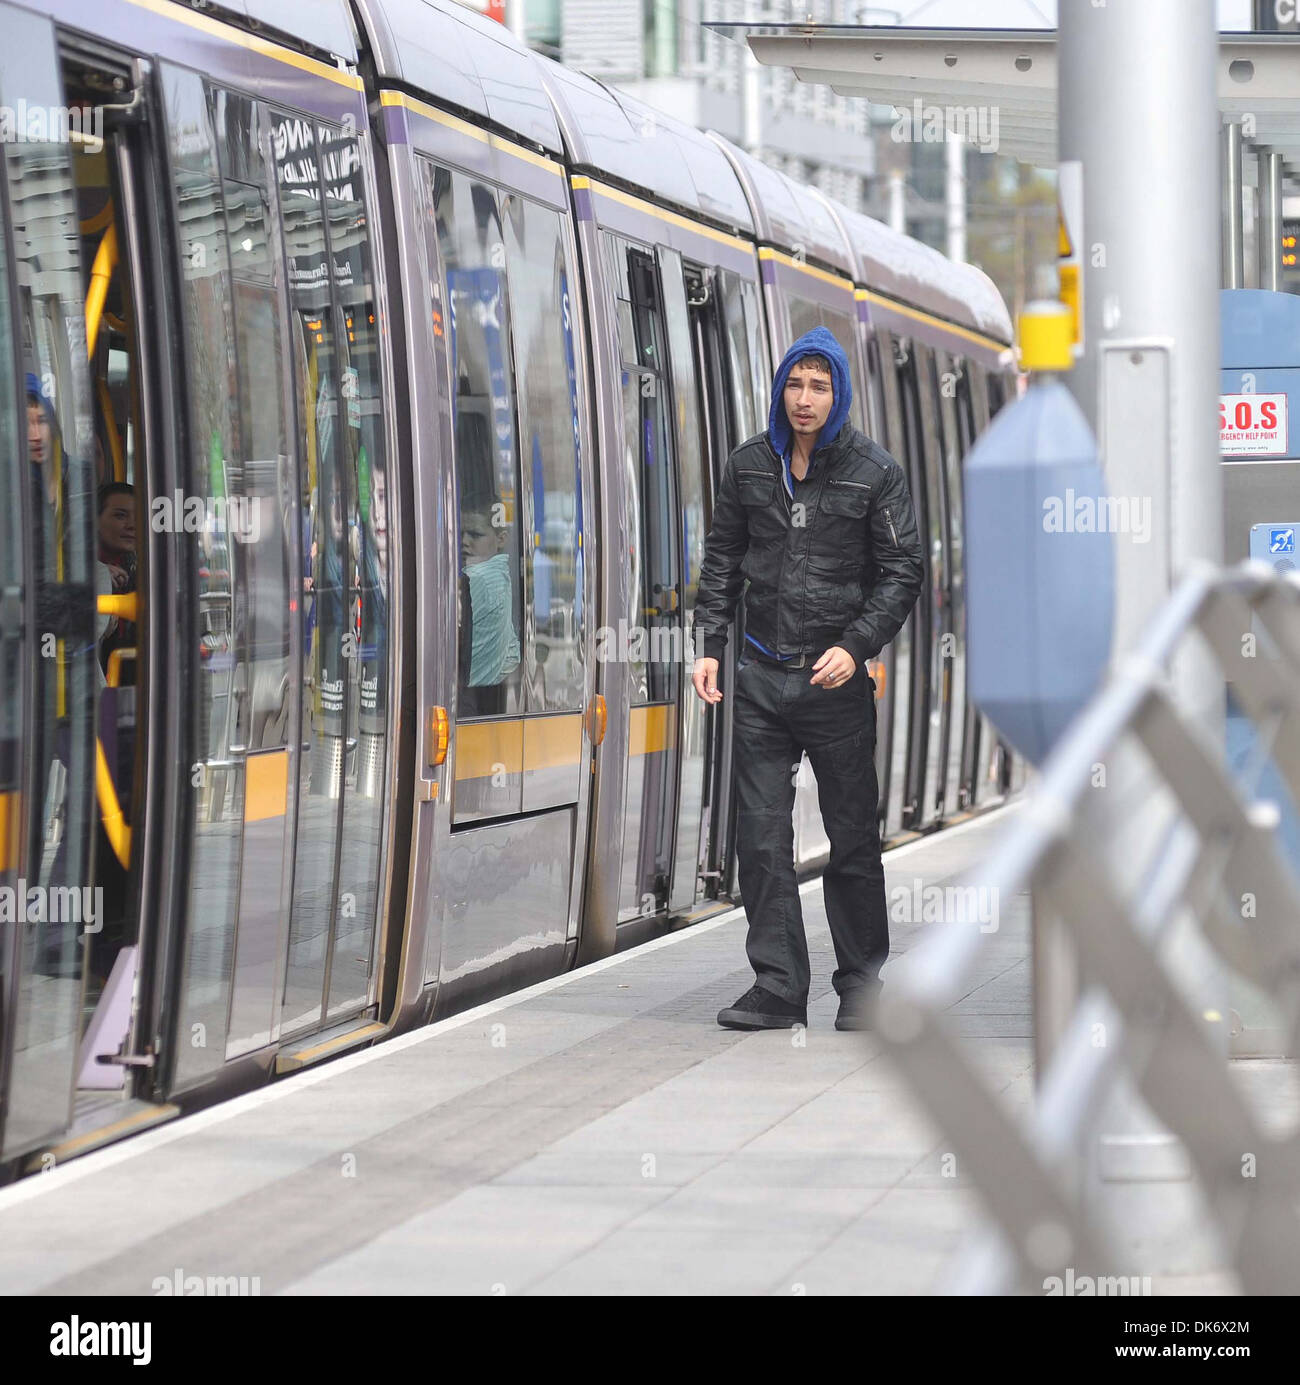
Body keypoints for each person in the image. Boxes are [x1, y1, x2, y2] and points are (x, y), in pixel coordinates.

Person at [691, 325, 924, 1032]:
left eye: (819, 387)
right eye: (795, 383)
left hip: (836, 686)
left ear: (838, 395)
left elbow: (902, 569)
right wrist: (710, 644)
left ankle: (860, 986)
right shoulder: (749, 466)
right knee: (760, 839)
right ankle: (779, 985)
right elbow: (722, 556)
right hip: (759, 675)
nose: (804, 399)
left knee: (852, 839)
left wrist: (857, 646)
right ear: (780, 388)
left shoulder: (874, 472)